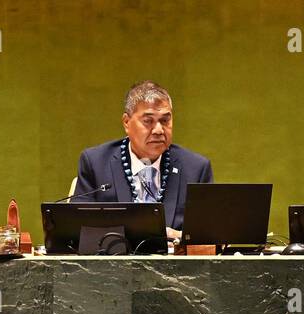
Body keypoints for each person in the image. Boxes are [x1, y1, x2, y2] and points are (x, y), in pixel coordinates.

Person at [73, 81, 214, 238]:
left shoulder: (196, 168)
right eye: (148, 121)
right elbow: (80, 230)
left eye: (165, 120)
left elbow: (210, 236)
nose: (159, 130)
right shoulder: (96, 163)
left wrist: (179, 237)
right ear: (126, 123)